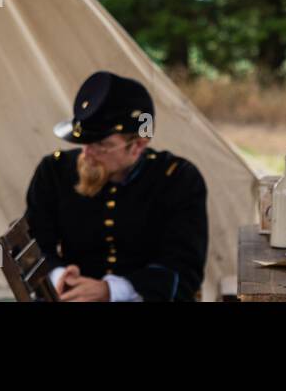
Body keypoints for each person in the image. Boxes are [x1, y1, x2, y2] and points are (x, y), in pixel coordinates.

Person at [24, 70, 208, 301]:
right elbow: (34, 243)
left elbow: (184, 267)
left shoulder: (178, 179)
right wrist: (60, 276)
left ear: (138, 144)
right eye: (84, 141)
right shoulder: (54, 171)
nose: (88, 153)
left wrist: (111, 291)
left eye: (102, 144)